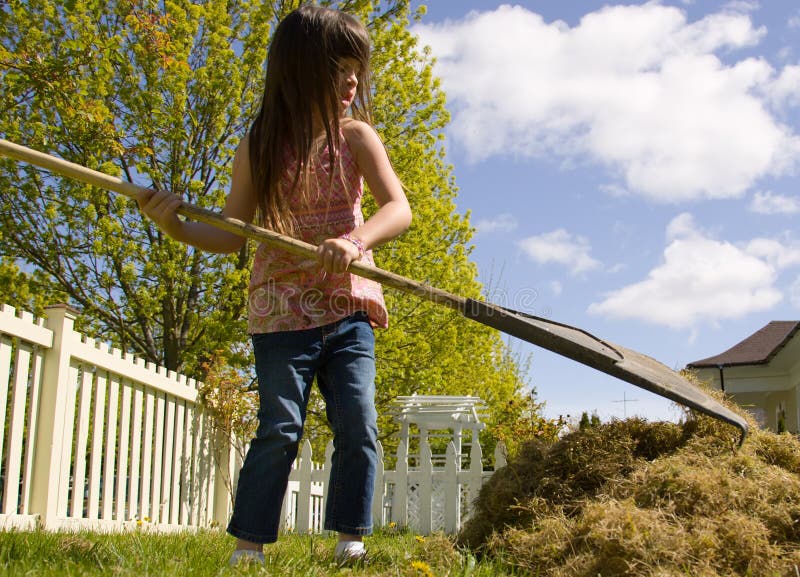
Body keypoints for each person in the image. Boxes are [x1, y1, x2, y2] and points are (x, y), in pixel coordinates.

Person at [137, 4, 411, 566]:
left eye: (355, 67)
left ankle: (350, 538)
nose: (352, 80)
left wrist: (355, 243)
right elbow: (232, 236)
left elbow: (398, 208)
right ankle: (249, 547)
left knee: (358, 421)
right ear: (297, 70)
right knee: (279, 427)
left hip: (347, 305)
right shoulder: (260, 144)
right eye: (338, 67)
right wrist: (174, 225)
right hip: (279, 308)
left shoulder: (357, 137)